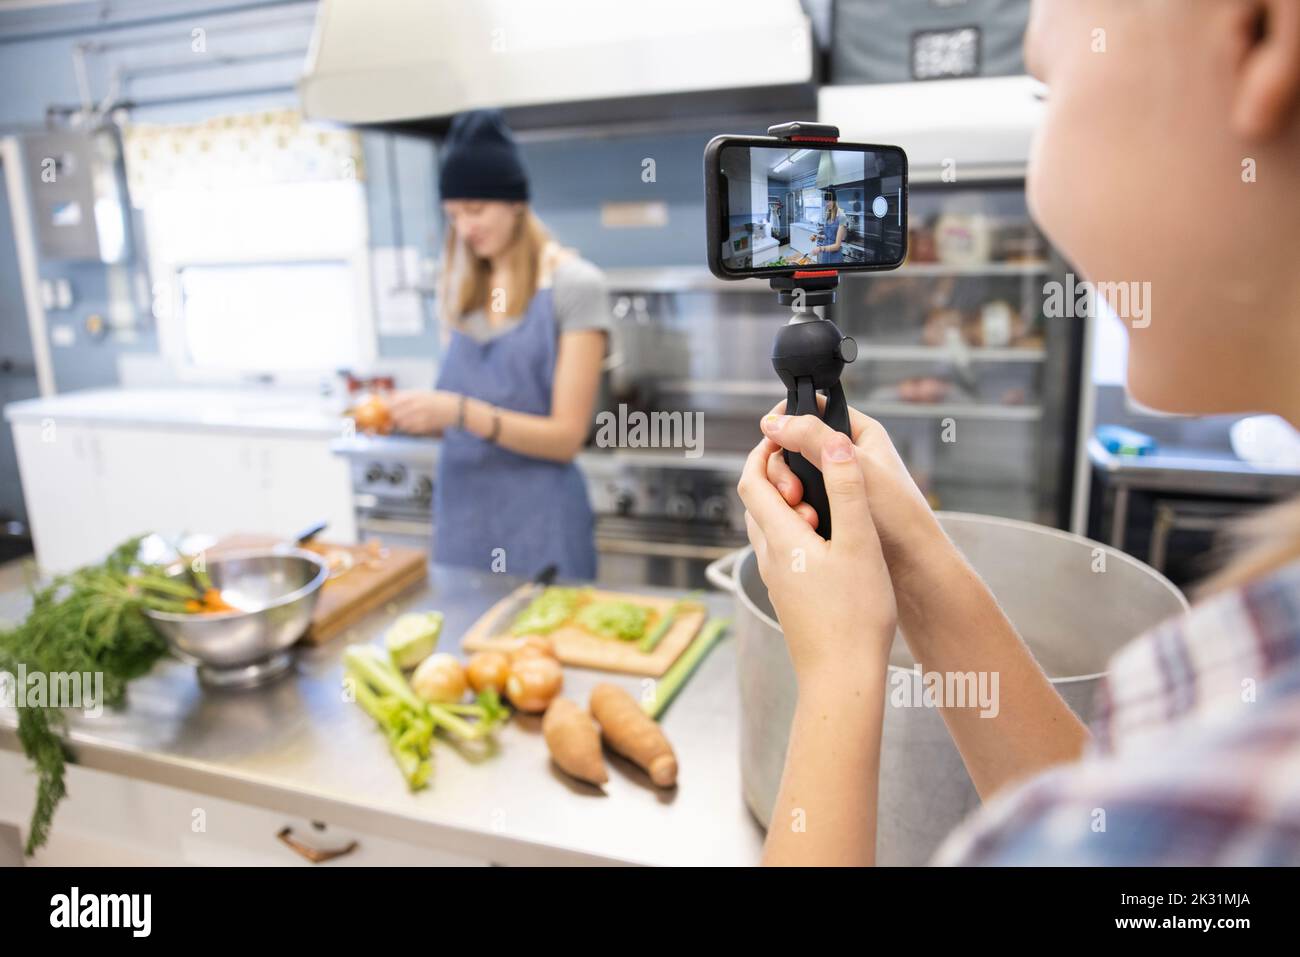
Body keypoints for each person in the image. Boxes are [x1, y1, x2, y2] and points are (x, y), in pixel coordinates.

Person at [739, 0, 1300, 866]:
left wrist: (843, 671)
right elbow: (1108, 817)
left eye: (1048, 91)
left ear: (1263, 37)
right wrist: (914, 557)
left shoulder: (1244, 790)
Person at [388, 110, 609, 580]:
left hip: (540, 526)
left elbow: (566, 439)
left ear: (515, 203)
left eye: (476, 209)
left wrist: (455, 411)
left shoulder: (575, 285)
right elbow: (455, 414)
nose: (465, 227)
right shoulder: (460, 291)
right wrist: (411, 415)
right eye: (453, 215)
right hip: (463, 524)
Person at [811, 191, 846, 264]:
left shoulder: (842, 217)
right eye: (826, 201)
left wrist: (820, 248)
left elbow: (837, 245)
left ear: (834, 201)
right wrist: (817, 236)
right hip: (826, 254)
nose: (827, 204)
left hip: (835, 257)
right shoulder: (829, 215)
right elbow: (828, 236)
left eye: (829, 201)